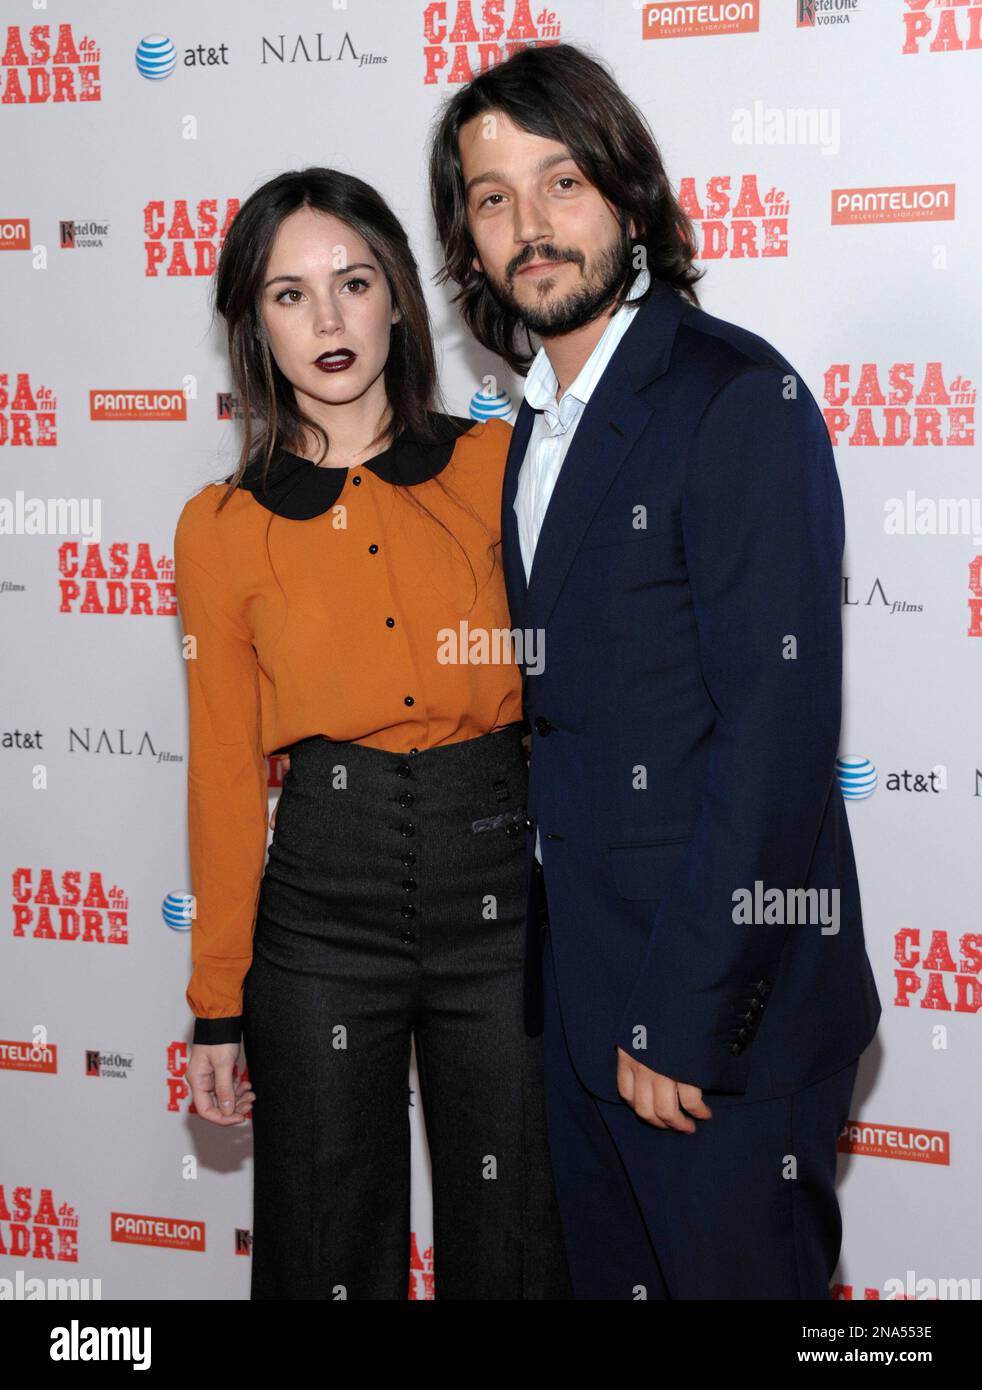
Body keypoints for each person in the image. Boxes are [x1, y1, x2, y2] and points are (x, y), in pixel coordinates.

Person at [427, 43, 882, 1299]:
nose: (529, 225)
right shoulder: (529, 431)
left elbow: (776, 738)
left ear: (627, 193)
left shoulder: (733, 395)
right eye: (491, 196)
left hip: (710, 1023)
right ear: (468, 243)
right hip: (586, 1009)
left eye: (559, 180)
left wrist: (682, 1012)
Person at [173, 167, 571, 1300]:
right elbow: (219, 768)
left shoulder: (500, 468)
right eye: (289, 294)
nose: (330, 318)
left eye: (352, 282)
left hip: (500, 894)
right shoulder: (218, 529)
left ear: (398, 297)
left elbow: (578, 697)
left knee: (518, 1244)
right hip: (318, 913)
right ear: (253, 322)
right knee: (320, 1244)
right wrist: (216, 1002)